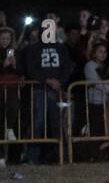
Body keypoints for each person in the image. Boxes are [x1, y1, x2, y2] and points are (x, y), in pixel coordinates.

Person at [20, 20, 73, 164]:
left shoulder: (61, 48)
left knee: (58, 124)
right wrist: (47, 80)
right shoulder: (33, 49)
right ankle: (32, 158)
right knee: (37, 123)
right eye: (46, 28)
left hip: (56, 91)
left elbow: (67, 67)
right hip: (39, 90)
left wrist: (59, 82)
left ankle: (62, 156)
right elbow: (31, 69)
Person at [0, 26, 23, 167]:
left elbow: (22, 70)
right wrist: (3, 64)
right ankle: (1, 157)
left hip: (12, 88)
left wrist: (14, 65)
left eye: (7, 38)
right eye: (2, 38)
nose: (5, 41)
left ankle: (10, 130)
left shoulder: (16, 53)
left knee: (13, 109)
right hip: (0, 88)